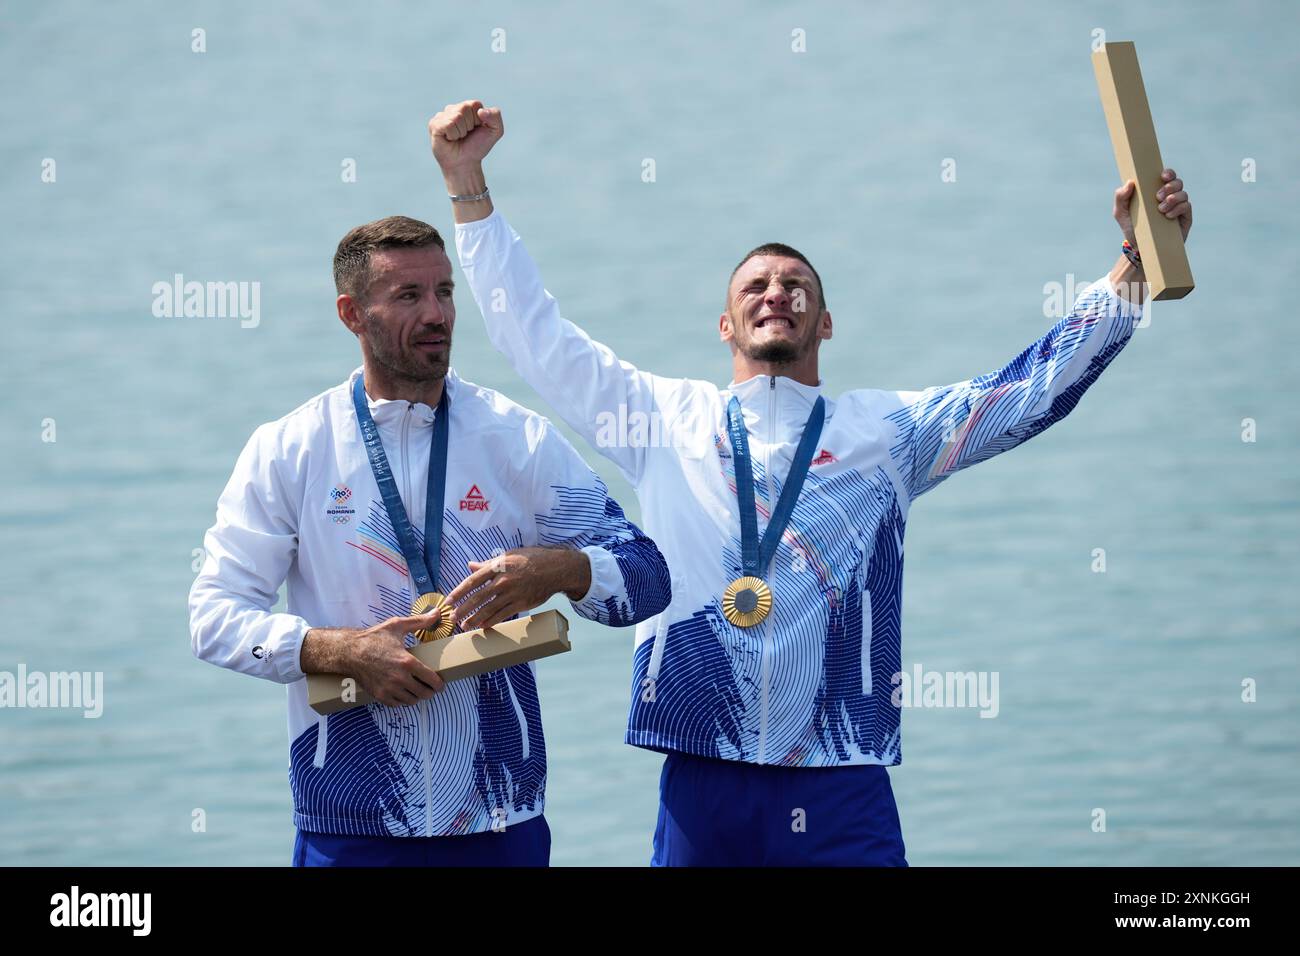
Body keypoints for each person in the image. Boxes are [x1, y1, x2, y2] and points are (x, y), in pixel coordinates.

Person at [428, 100, 1194, 866]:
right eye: (755, 285)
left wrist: (1134, 264)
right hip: (704, 770)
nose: (776, 293)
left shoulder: (887, 433)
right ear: (724, 325)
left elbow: (1029, 392)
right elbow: (530, 330)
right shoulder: (659, 419)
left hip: (841, 772)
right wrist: (467, 183)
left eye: (797, 287)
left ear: (825, 324)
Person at [189, 213, 672, 867]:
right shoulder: (290, 448)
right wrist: (340, 649)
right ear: (352, 314)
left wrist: (558, 569)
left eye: (444, 291)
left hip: (501, 820)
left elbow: (646, 578)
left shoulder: (516, 439)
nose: (437, 313)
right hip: (350, 822)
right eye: (408, 296)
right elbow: (213, 618)